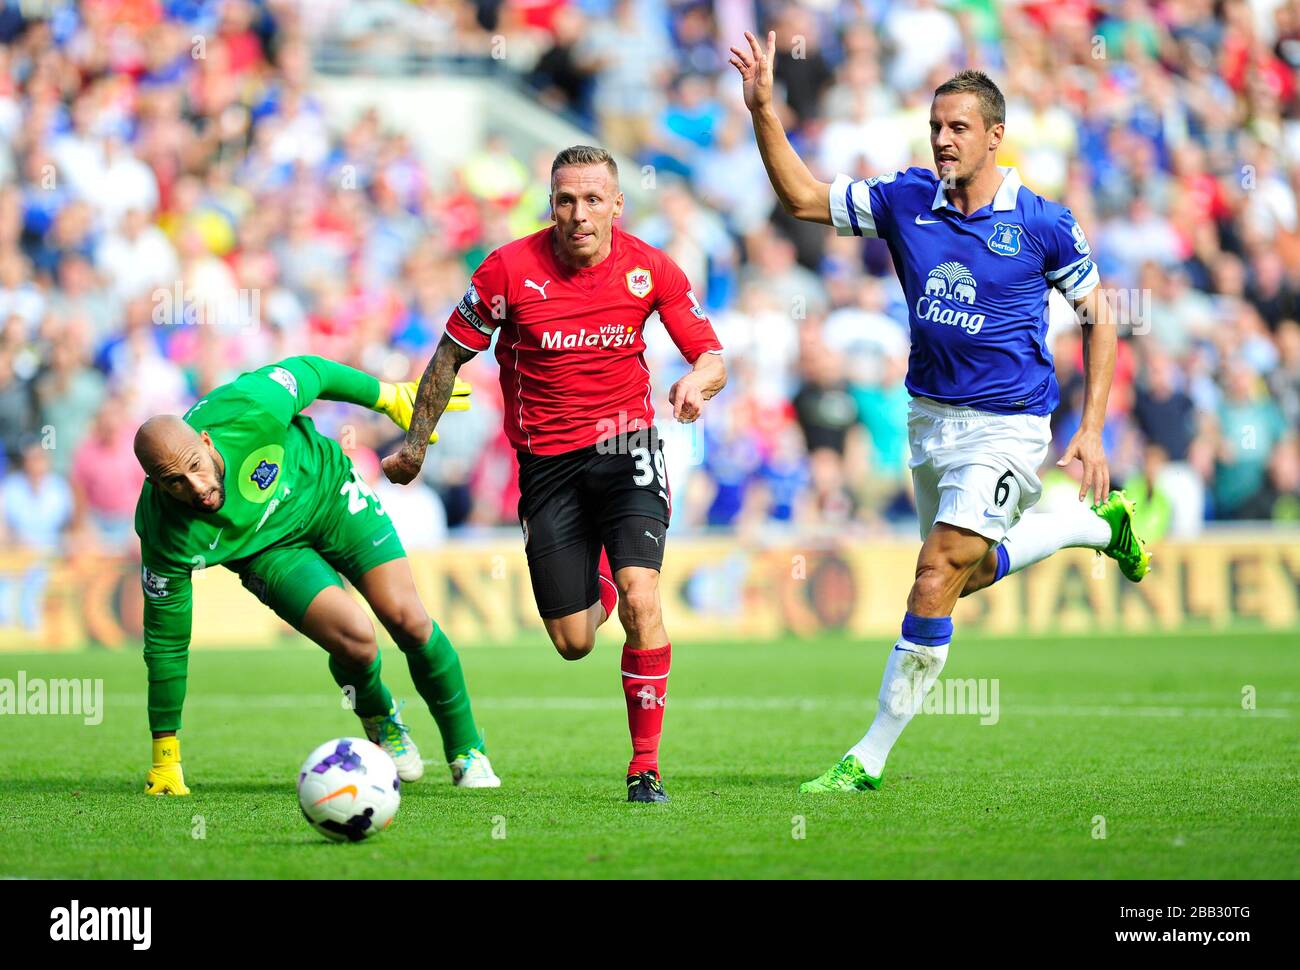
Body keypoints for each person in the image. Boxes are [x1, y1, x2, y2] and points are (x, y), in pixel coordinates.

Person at [731, 34, 1150, 792]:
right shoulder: (903, 200)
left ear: (995, 136)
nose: (944, 139)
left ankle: (868, 758)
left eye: (959, 127)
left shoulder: (1045, 223)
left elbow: (1102, 315)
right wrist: (764, 109)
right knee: (967, 569)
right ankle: (1095, 526)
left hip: (1009, 426)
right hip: (929, 421)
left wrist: (1090, 429)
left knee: (934, 575)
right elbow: (799, 197)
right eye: (936, 126)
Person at [383, 146, 727, 803]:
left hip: (628, 447)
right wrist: (417, 444)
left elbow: (710, 354)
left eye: (593, 199)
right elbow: (449, 357)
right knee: (572, 641)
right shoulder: (507, 270)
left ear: (616, 206)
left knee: (642, 595)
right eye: (565, 199)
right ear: (551, 204)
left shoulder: (650, 268)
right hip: (547, 466)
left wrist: (698, 383)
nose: (578, 213)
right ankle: (601, 571)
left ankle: (644, 767)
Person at [132, 355, 499, 794]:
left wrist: (388, 396)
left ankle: (467, 751)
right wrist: (165, 756)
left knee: (408, 620)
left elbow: (313, 371)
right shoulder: (162, 531)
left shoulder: (251, 405)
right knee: (357, 642)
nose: (197, 489)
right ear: (156, 485)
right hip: (268, 552)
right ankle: (380, 715)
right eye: (175, 482)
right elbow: (166, 644)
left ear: (208, 442)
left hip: (329, 494)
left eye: (196, 467)